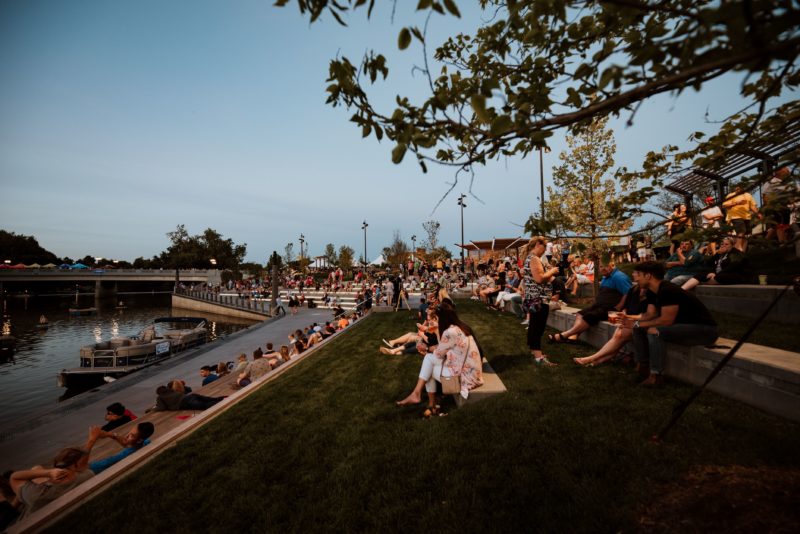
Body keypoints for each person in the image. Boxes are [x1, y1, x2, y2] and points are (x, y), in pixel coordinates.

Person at [622, 261, 718, 386]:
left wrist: (636, 324)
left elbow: (666, 321)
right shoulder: (651, 291)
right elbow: (650, 315)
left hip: (704, 330)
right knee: (638, 329)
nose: (634, 277)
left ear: (648, 276)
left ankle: (656, 376)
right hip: (682, 327)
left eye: (638, 274)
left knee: (654, 331)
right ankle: (643, 367)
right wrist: (631, 321)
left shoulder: (668, 290)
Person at [396, 305, 483, 413]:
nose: (432, 321)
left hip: (465, 378)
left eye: (434, 319)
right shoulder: (457, 327)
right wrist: (433, 339)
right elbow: (443, 348)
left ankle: (424, 399)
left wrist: (428, 346)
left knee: (429, 365)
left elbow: (438, 354)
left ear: (439, 318)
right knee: (429, 360)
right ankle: (425, 400)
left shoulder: (449, 332)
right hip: (473, 372)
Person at [573, 271, 656, 366]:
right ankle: (598, 360)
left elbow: (648, 315)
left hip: (642, 322)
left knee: (620, 335)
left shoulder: (651, 293)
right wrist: (624, 313)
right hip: (631, 320)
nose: (632, 274)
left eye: (636, 273)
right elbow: (626, 307)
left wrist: (628, 318)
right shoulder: (634, 290)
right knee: (618, 335)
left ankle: (590, 359)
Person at [548, 259, 632, 343]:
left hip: (611, 309)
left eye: (605, 266)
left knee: (589, 316)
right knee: (580, 314)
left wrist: (618, 307)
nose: (602, 269)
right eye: (600, 266)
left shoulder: (619, 277)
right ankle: (573, 337)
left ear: (612, 265)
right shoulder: (605, 276)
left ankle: (563, 335)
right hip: (600, 306)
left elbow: (629, 293)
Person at [10, 448, 94, 521]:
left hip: (20, 522)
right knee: (37, 469)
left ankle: (13, 507)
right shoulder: (88, 475)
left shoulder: (37, 495)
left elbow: (14, 478)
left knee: (36, 469)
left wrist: (48, 473)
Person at [521, 237, 560, 366]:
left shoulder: (530, 258)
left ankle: (535, 352)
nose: (545, 251)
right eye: (545, 247)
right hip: (539, 298)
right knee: (538, 328)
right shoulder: (534, 258)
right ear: (538, 244)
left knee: (534, 326)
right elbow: (539, 278)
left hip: (533, 297)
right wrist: (552, 271)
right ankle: (539, 358)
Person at [84, 422, 155, 475]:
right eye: (130, 432)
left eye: (132, 436)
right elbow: (127, 444)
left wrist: (92, 439)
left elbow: (84, 466)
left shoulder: (120, 458)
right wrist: (110, 434)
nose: (127, 435)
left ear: (139, 440)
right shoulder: (146, 442)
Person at [681, 237, 749, 290]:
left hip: (733, 275)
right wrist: (717, 254)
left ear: (732, 245)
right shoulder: (720, 253)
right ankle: (682, 290)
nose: (723, 246)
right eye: (722, 244)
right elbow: (709, 264)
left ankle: (702, 281)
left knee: (719, 277)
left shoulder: (736, 253)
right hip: (718, 275)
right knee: (700, 275)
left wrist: (716, 274)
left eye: (726, 244)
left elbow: (731, 267)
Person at [723, 185, 760, 252]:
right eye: (736, 187)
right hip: (735, 216)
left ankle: (743, 250)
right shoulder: (731, 195)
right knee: (741, 231)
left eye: (739, 187)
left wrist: (759, 214)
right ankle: (737, 248)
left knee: (747, 234)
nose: (738, 189)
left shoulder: (748, 195)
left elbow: (753, 207)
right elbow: (725, 205)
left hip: (747, 217)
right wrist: (737, 203)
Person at [145, 385, 224, 412]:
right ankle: (220, 398)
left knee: (204, 406)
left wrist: (152, 409)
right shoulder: (171, 390)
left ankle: (220, 402)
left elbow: (161, 408)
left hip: (184, 402)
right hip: (189, 396)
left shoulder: (160, 397)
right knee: (207, 399)